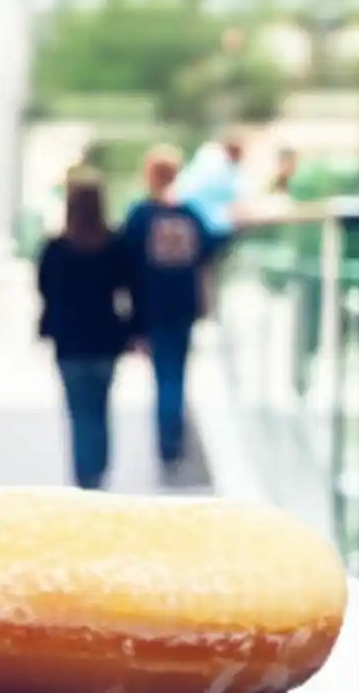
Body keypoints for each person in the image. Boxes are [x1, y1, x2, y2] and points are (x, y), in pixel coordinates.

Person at [121, 146, 222, 473]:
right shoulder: (189, 214)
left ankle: (168, 441)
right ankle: (173, 438)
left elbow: (126, 262)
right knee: (176, 373)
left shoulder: (142, 216)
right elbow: (210, 247)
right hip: (183, 305)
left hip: (154, 306)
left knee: (164, 376)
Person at [38, 167, 136, 490]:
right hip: (106, 340)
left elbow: (45, 290)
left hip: (70, 342)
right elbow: (130, 289)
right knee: (100, 409)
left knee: (79, 414)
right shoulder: (115, 245)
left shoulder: (56, 249)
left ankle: (85, 477)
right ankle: (100, 472)